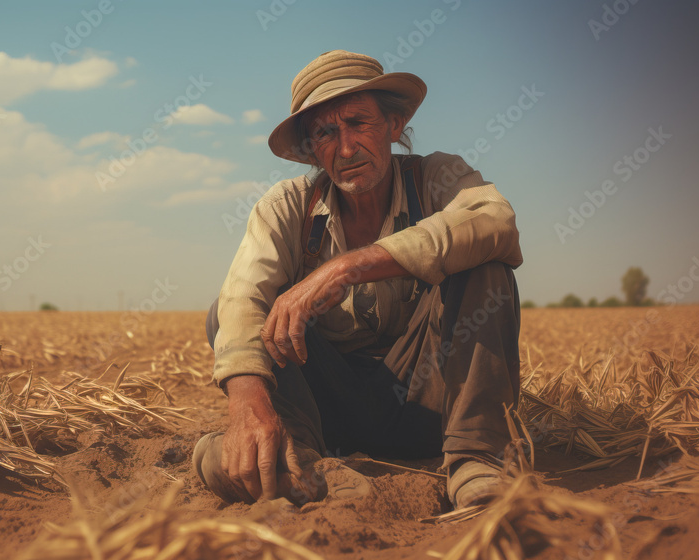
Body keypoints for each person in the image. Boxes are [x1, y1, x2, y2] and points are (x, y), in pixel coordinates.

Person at [193, 50, 523, 509]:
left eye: (357, 123)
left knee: (486, 267)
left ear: (394, 125)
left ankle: (477, 460)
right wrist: (248, 403)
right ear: (312, 149)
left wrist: (348, 266)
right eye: (325, 133)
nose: (345, 148)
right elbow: (240, 300)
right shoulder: (287, 207)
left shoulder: (436, 178)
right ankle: (298, 465)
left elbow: (496, 221)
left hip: (430, 404)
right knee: (233, 313)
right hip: (326, 419)